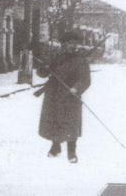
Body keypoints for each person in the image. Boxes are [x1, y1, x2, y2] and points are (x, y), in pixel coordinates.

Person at [37, 31, 91, 163]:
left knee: (71, 123)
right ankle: (55, 147)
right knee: (54, 120)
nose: (71, 46)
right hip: (54, 94)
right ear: (63, 45)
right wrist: (43, 67)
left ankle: (71, 152)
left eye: (74, 44)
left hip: (70, 96)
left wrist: (76, 88)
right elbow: (42, 73)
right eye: (67, 44)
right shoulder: (55, 57)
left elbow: (85, 79)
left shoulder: (81, 59)